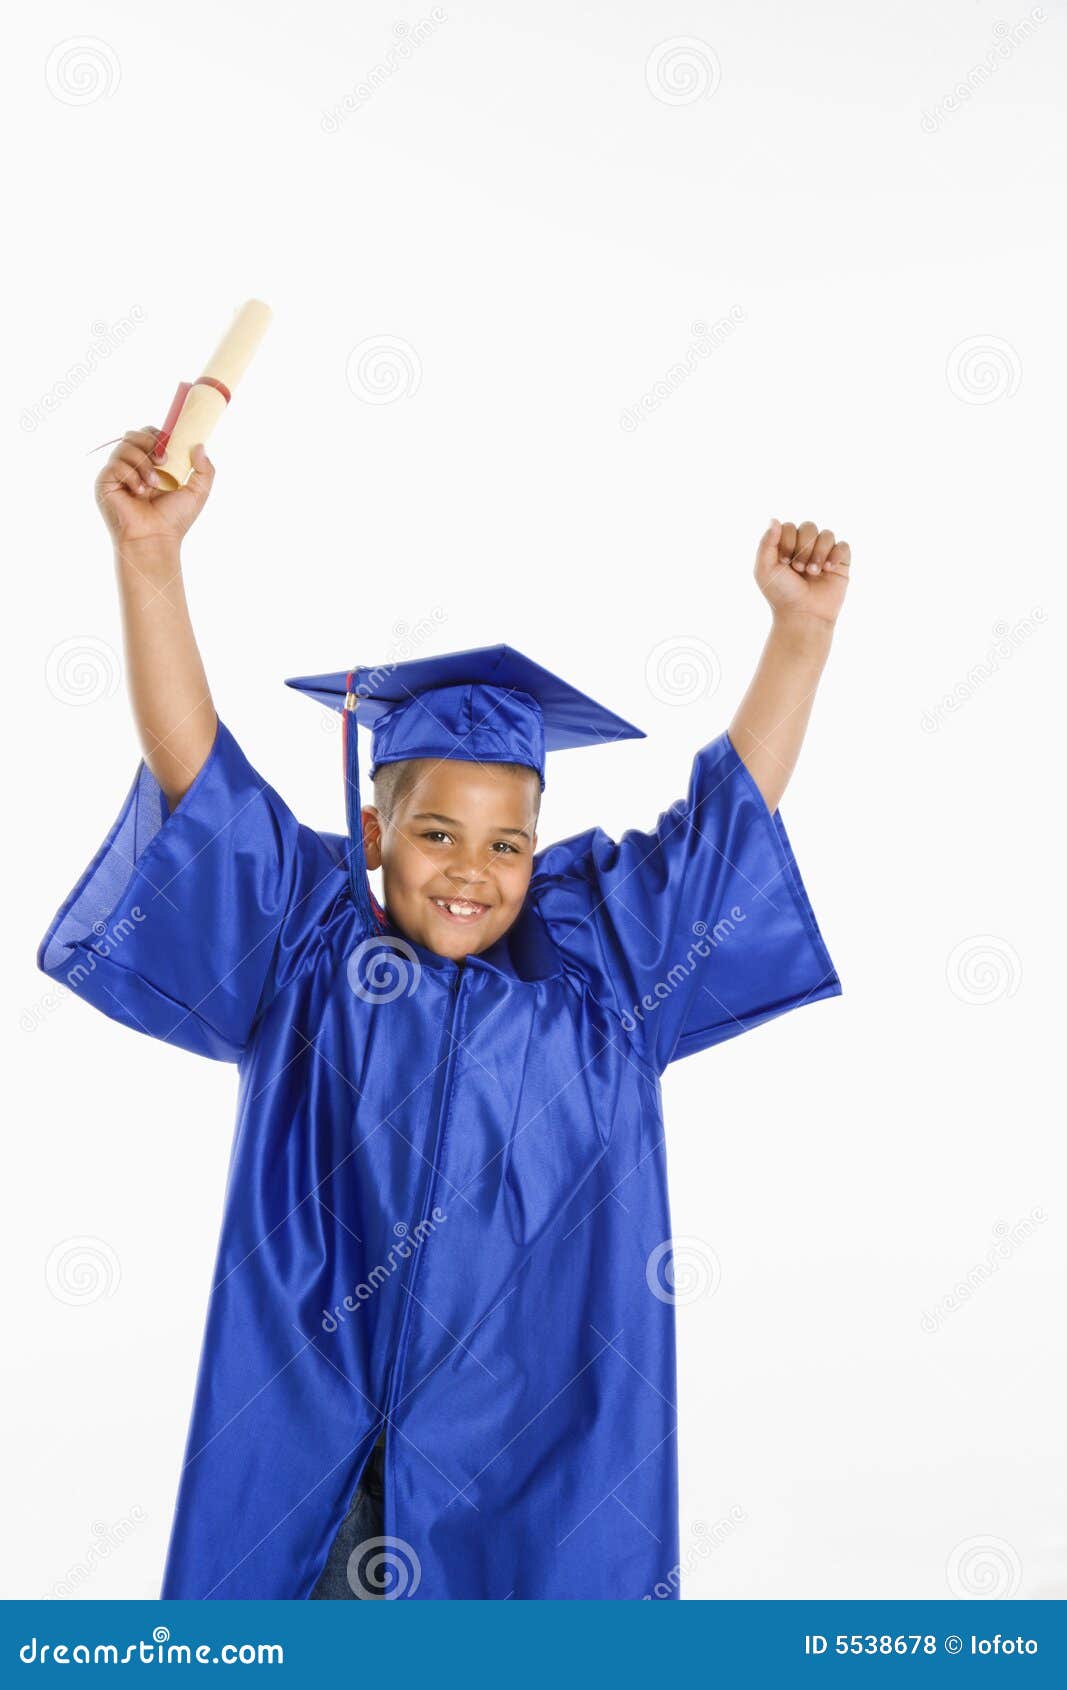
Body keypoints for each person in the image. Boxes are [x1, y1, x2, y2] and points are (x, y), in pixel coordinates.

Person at [38, 427, 850, 1600]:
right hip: (326, 1470)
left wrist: (798, 636)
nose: (471, 869)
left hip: (538, 1482)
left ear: (536, 849)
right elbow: (195, 777)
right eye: (435, 833)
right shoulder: (310, 954)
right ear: (374, 835)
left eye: (506, 843)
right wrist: (150, 560)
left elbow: (724, 839)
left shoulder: (603, 981)